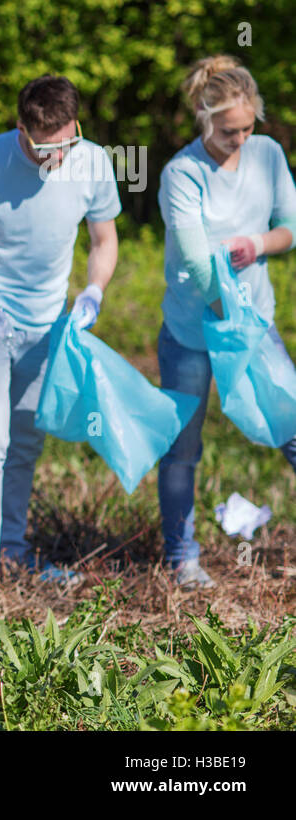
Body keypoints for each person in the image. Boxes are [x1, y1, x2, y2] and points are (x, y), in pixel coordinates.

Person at [0, 74, 120, 604]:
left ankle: (10, 545)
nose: (56, 156)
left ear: (76, 128)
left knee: (25, 439)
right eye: (43, 147)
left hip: (47, 322)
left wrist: (93, 292)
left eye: (66, 143)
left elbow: (104, 239)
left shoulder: (94, 162)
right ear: (21, 129)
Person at [156, 55, 296, 590]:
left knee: (290, 426)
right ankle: (181, 556)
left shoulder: (267, 155)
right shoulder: (181, 173)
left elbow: (288, 227)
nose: (238, 140)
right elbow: (196, 261)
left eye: (246, 128)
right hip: (193, 332)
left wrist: (255, 244)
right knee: (183, 447)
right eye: (226, 131)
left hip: (255, 324)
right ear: (202, 115)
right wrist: (230, 321)